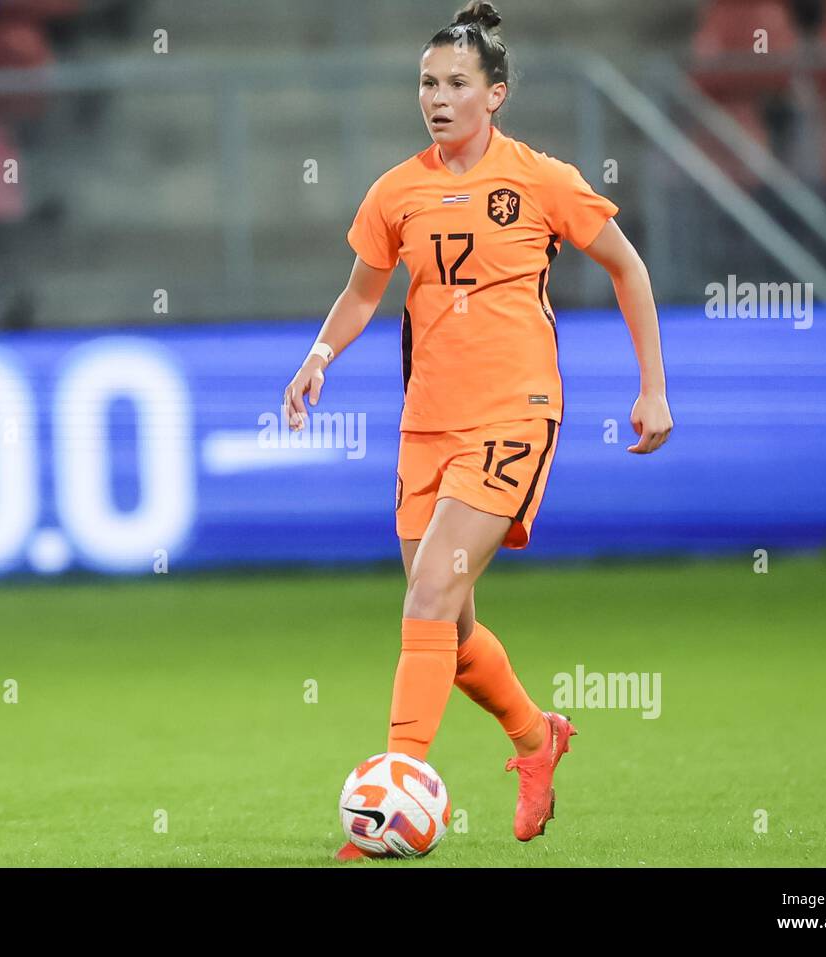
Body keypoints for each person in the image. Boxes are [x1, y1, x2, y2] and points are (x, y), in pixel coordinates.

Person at [281, 0, 673, 860]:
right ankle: (537, 737)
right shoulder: (397, 191)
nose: (439, 97)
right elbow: (362, 290)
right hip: (426, 425)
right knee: (449, 631)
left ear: (495, 95)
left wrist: (653, 387)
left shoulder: (540, 179)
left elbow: (627, 265)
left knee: (425, 595)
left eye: (458, 82)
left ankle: (391, 797)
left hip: (514, 414)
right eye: (427, 82)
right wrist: (320, 354)